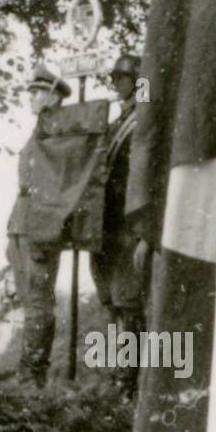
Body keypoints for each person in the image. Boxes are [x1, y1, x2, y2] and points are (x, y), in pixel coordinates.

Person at [5, 65, 74, 386]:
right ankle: (28, 370)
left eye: (37, 91)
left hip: (41, 222)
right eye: (30, 91)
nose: (30, 96)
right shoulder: (41, 128)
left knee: (37, 299)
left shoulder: (59, 129)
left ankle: (32, 373)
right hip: (23, 219)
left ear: (55, 95)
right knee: (29, 297)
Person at [91, 53, 150, 398]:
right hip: (106, 226)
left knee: (128, 305)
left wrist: (145, 231)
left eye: (122, 78)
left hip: (129, 226)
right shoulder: (116, 124)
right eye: (114, 78)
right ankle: (117, 375)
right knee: (111, 303)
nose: (116, 84)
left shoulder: (144, 121)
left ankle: (127, 383)